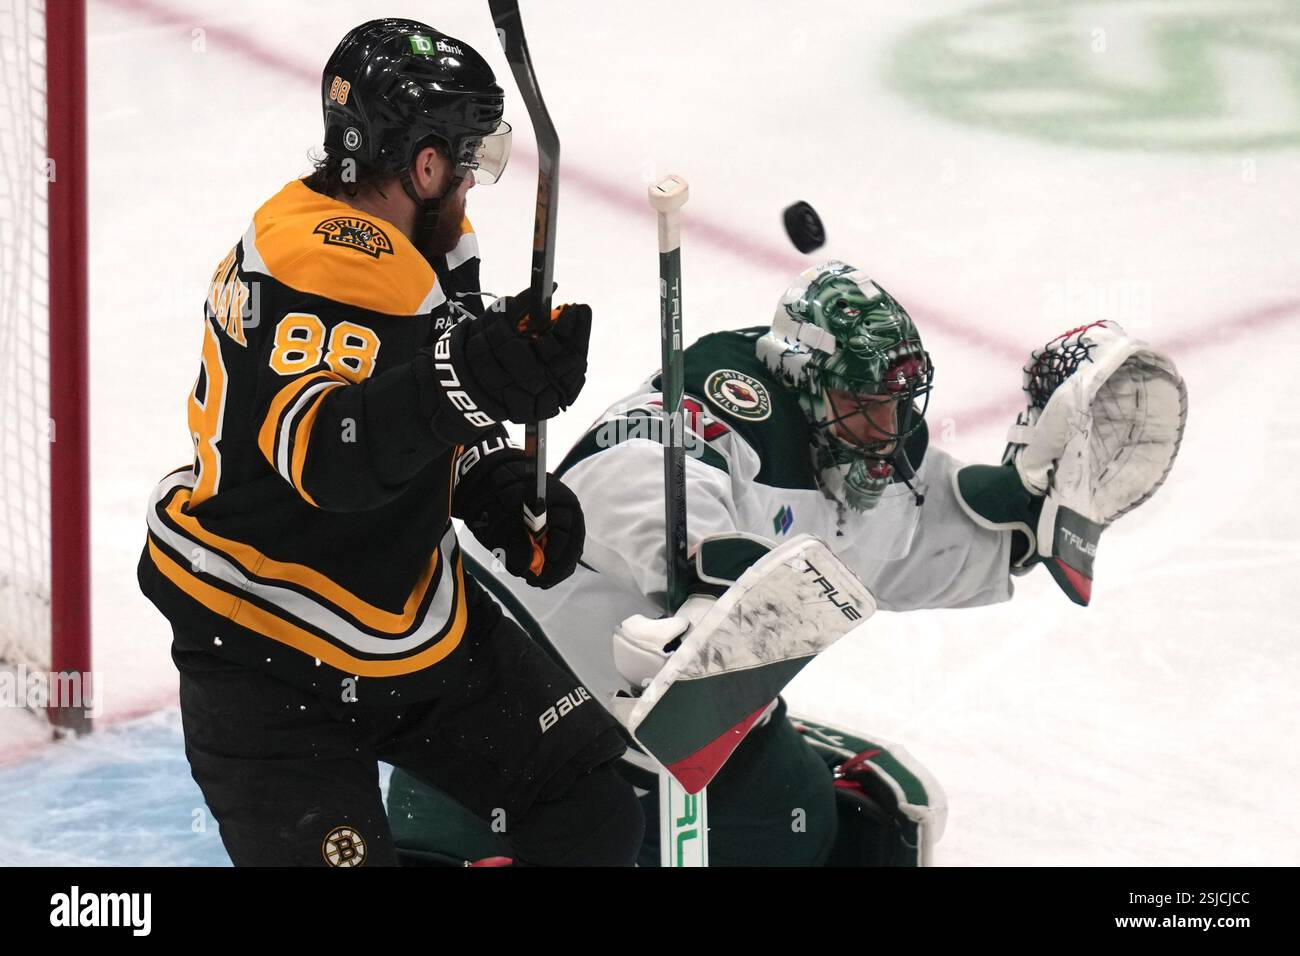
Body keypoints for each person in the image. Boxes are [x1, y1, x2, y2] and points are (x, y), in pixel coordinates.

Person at [386, 259, 1187, 866]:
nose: (883, 428)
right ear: (803, 379)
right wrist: (707, 566)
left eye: (895, 406)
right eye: (862, 405)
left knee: (873, 828)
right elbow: (629, 471)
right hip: (509, 725)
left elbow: (906, 541)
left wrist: (1029, 519)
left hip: (693, 742)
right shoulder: (723, 399)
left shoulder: (875, 457)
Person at [137, 18, 642, 867]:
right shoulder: (320, 260)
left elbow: (434, 412)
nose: (475, 183)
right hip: (266, 648)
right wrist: (472, 379)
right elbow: (330, 458)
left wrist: (495, 481)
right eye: (470, 160)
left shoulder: (426, 247)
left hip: (405, 620)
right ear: (426, 163)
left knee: (586, 805)